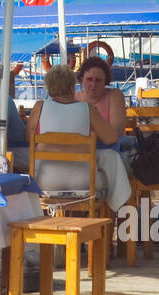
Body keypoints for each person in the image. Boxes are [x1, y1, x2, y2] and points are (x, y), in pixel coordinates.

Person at [30, 60, 132, 210]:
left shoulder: (39, 106)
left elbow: (28, 137)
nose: (93, 84)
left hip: (44, 182)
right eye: (90, 79)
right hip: (83, 183)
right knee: (110, 165)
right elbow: (112, 138)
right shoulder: (86, 108)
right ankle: (118, 214)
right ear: (73, 86)